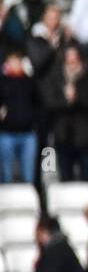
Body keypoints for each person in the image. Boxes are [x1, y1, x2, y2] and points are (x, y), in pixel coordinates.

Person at [42, 45, 88, 185]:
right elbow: (50, 102)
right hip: (63, 135)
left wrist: (77, 98)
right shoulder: (55, 77)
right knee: (65, 178)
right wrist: (67, 101)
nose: (72, 61)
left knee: (87, 176)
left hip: (85, 136)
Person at [0, 48, 39, 184]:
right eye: (12, 61)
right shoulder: (2, 81)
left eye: (17, 61)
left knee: (29, 177)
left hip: (28, 134)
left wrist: (35, 124)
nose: (15, 64)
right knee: (6, 176)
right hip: (6, 134)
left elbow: (38, 104)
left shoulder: (30, 82)